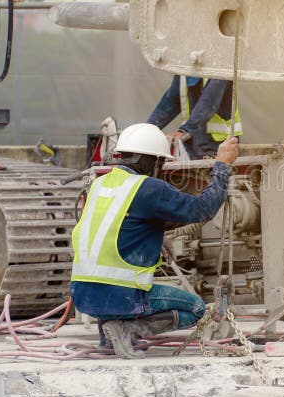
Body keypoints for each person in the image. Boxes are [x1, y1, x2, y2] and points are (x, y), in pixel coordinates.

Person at [70, 123, 239, 358]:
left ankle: (110, 335)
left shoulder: (100, 184)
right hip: (122, 295)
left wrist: (154, 236)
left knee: (111, 292)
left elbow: (118, 225)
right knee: (196, 308)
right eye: (161, 163)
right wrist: (223, 165)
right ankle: (127, 328)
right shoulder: (148, 187)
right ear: (152, 161)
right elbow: (202, 209)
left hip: (83, 295)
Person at [147, 75, 242, 160]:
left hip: (219, 143)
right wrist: (146, 129)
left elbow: (209, 102)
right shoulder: (184, 69)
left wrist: (184, 130)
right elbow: (169, 103)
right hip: (192, 140)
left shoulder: (220, 67)